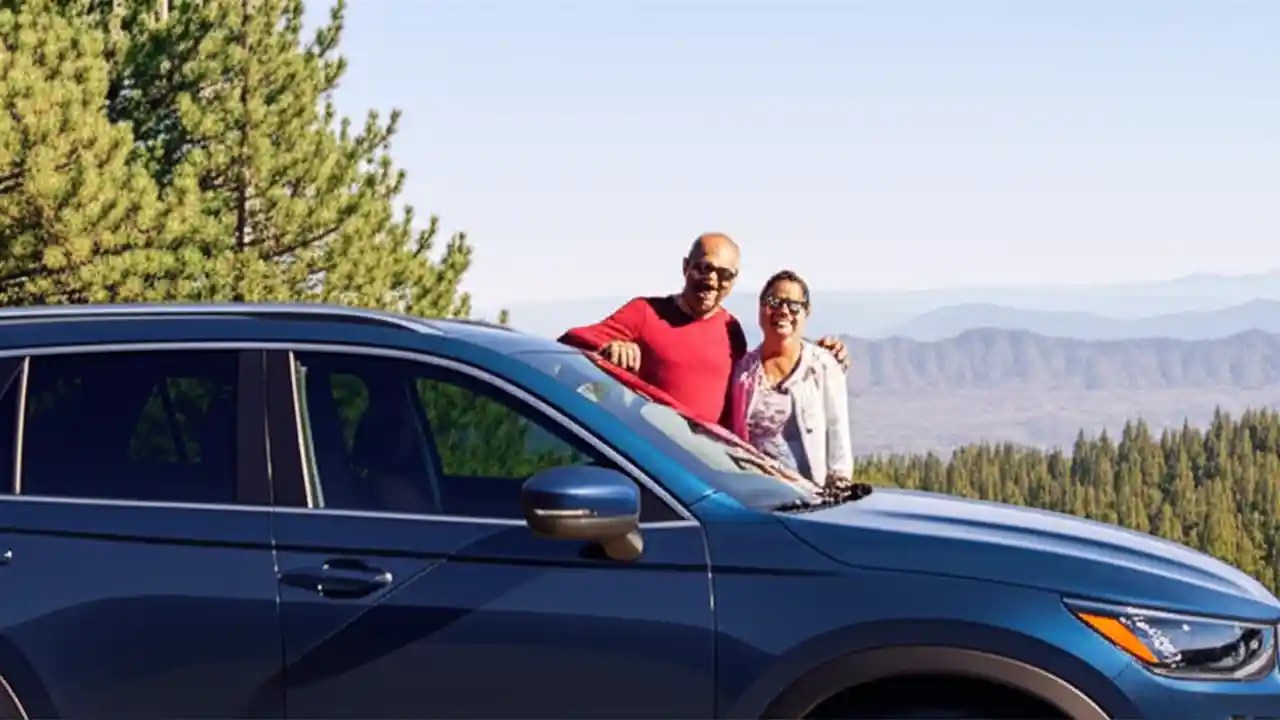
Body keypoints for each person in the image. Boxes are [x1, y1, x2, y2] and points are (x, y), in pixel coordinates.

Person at [557, 232, 848, 428]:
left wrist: (814, 356)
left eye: (724, 275)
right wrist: (609, 349)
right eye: (704, 269)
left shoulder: (731, 329)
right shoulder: (645, 313)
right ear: (685, 267)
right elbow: (568, 344)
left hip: (705, 476)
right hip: (652, 467)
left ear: (734, 281)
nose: (712, 281)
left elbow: (760, 374)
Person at [727, 270, 852, 486]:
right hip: (755, 495)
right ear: (760, 307)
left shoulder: (822, 365)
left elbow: (837, 429)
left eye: (794, 305)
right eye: (774, 301)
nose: (783, 310)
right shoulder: (743, 371)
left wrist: (839, 484)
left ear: (806, 312)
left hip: (812, 498)